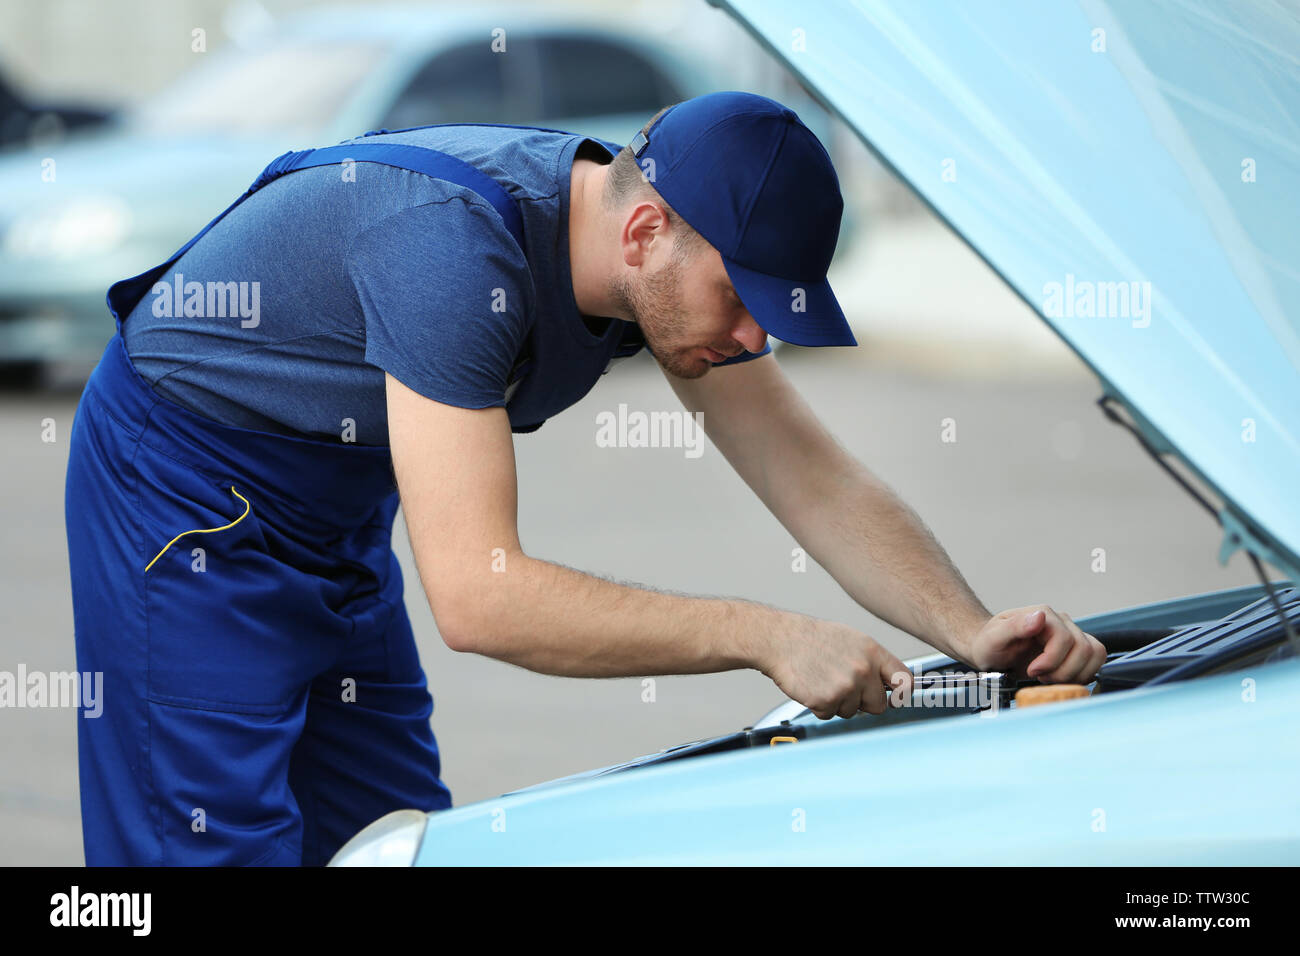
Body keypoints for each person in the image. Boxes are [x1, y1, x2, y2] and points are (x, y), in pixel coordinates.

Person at [64, 91, 1105, 866]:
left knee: (388, 841)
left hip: (330, 510)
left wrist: (968, 631)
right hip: (183, 501)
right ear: (645, 233)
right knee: (207, 847)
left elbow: (814, 480)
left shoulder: (654, 262)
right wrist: (768, 633)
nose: (751, 336)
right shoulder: (448, 253)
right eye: (741, 299)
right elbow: (480, 596)